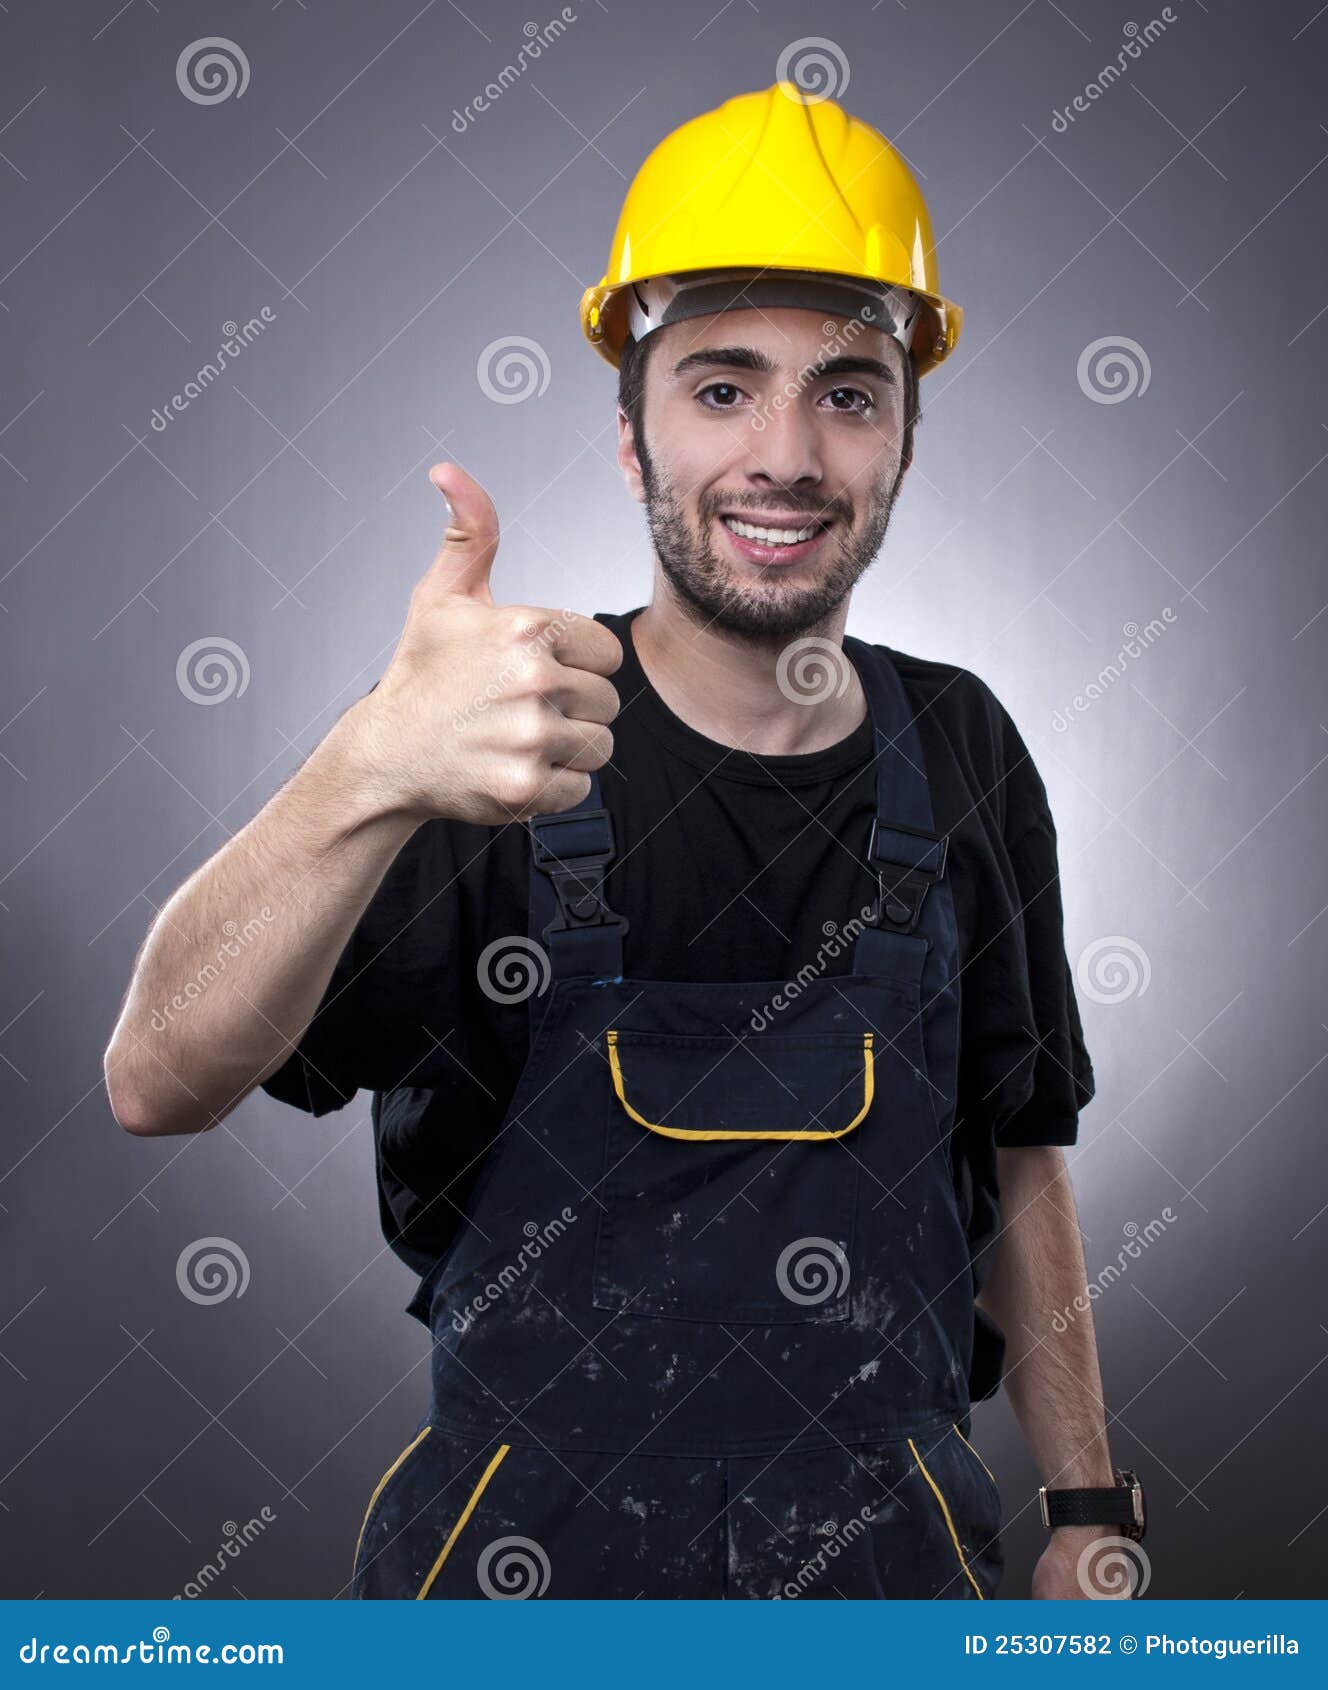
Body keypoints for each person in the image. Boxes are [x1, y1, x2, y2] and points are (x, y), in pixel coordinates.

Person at [104, 83, 1147, 1600]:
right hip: (521, 1584)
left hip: (894, 1571)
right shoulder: (490, 736)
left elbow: (1021, 1149)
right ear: (629, 434)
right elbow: (155, 1080)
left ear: (905, 441)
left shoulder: (965, 749)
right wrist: (364, 768)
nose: (786, 453)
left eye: (849, 392)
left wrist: (1085, 1499)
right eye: (722, 387)